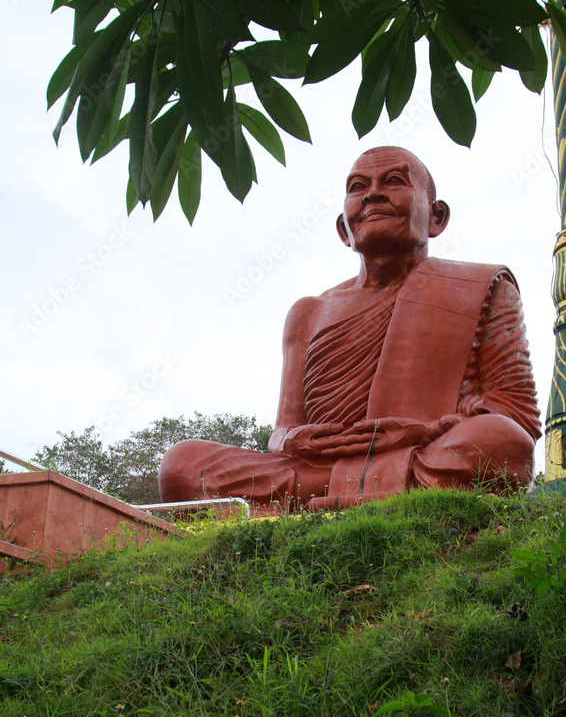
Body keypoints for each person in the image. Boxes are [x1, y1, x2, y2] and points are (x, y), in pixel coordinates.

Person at [159, 146, 541, 511]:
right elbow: (283, 430)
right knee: (183, 464)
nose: (373, 195)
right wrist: (295, 437)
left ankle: (319, 504)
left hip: (422, 452)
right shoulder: (309, 312)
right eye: (358, 187)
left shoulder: (479, 287)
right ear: (344, 228)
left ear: (437, 217)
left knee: (500, 443)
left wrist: (432, 427)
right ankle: (382, 493)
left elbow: (518, 418)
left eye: (393, 181)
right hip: (319, 470)